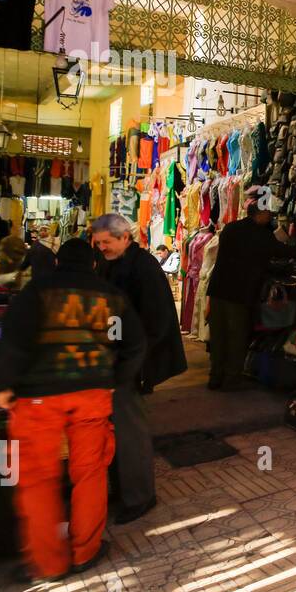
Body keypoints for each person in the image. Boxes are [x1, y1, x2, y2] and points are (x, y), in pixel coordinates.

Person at [0, 239, 147, 583]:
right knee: (90, 475)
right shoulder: (111, 297)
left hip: (38, 400)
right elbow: (134, 345)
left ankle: (48, 562)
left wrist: (2, 385)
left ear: (58, 262)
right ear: (93, 264)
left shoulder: (37, 291)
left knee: (37, 479)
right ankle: (85, 552)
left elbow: (13, 342)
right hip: (92, 394)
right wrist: (115, 379)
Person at [91, 213, 188, 523]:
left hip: (130, 363)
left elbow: (156, 320)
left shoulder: (142, 266)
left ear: (125, 238)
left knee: (130, 432)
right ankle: (125, 491)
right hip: (119, 360)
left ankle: (139, 496)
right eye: (98, 242)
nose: (101, 246)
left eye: (107, 242)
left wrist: (136, 362)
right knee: (117, 430)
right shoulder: (115, 262)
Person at [205, 195, 296, 390]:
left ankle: (215, 377)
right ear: (262, 213)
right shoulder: (260, 234)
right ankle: (231, 379)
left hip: (218, 290)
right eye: (269, 213)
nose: (271, 217)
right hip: (239, 293)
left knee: (218, 336)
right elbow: (281, 251)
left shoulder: (231, 228)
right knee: (236, 337)